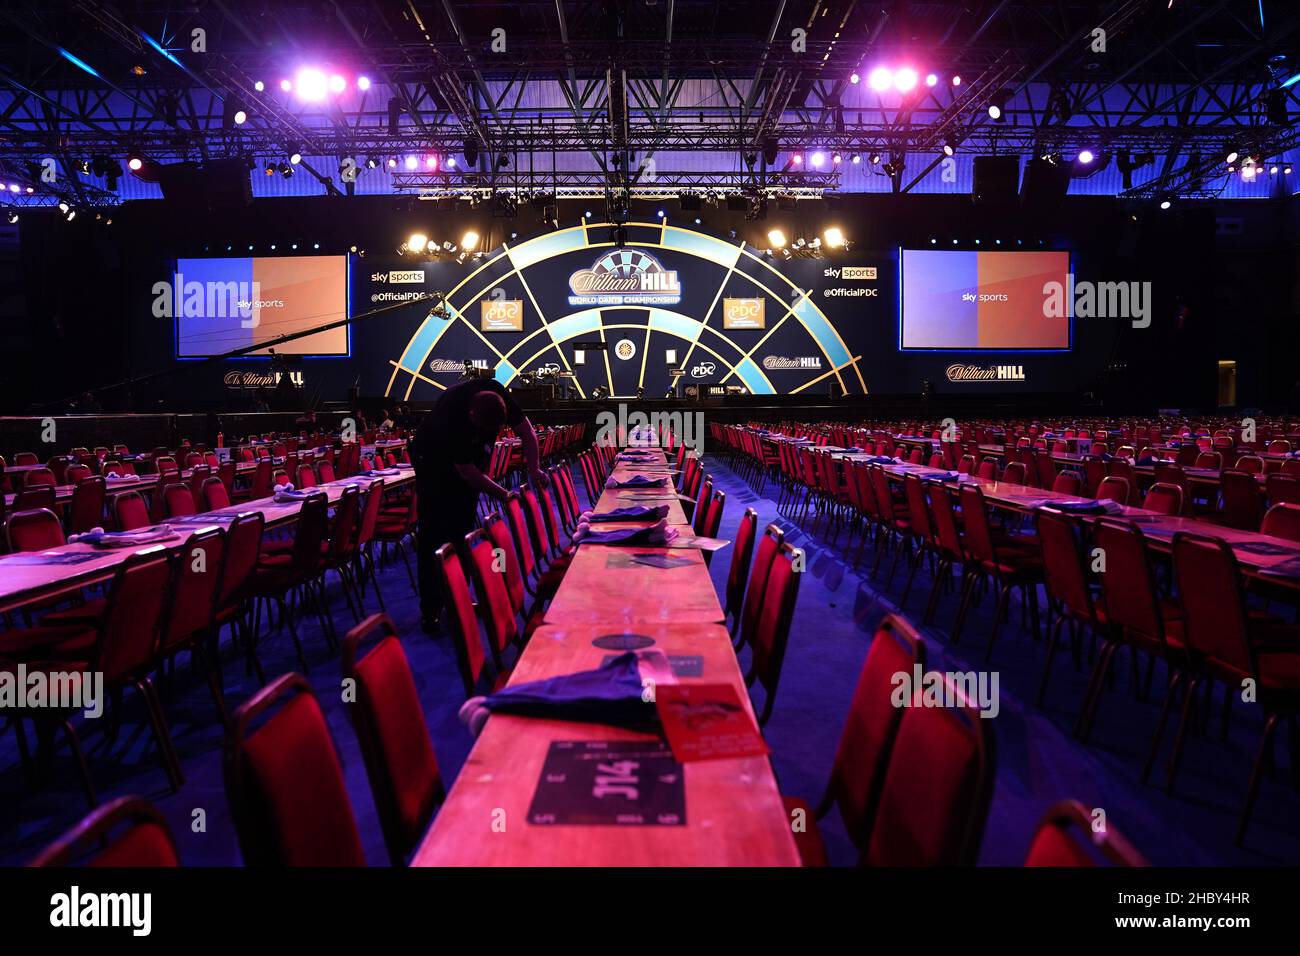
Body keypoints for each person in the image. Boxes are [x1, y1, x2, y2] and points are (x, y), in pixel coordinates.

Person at [411, 378, 547, 632]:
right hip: (431, 461)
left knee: (462, 530)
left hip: (466, 460)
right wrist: (504, 494)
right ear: (471, 415)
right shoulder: (451, 418)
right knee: (434, 534)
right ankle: (431, 609)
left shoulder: (497, 393)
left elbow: (527, 433)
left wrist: (535, 469)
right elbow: (467, 472)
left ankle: (460, 599)